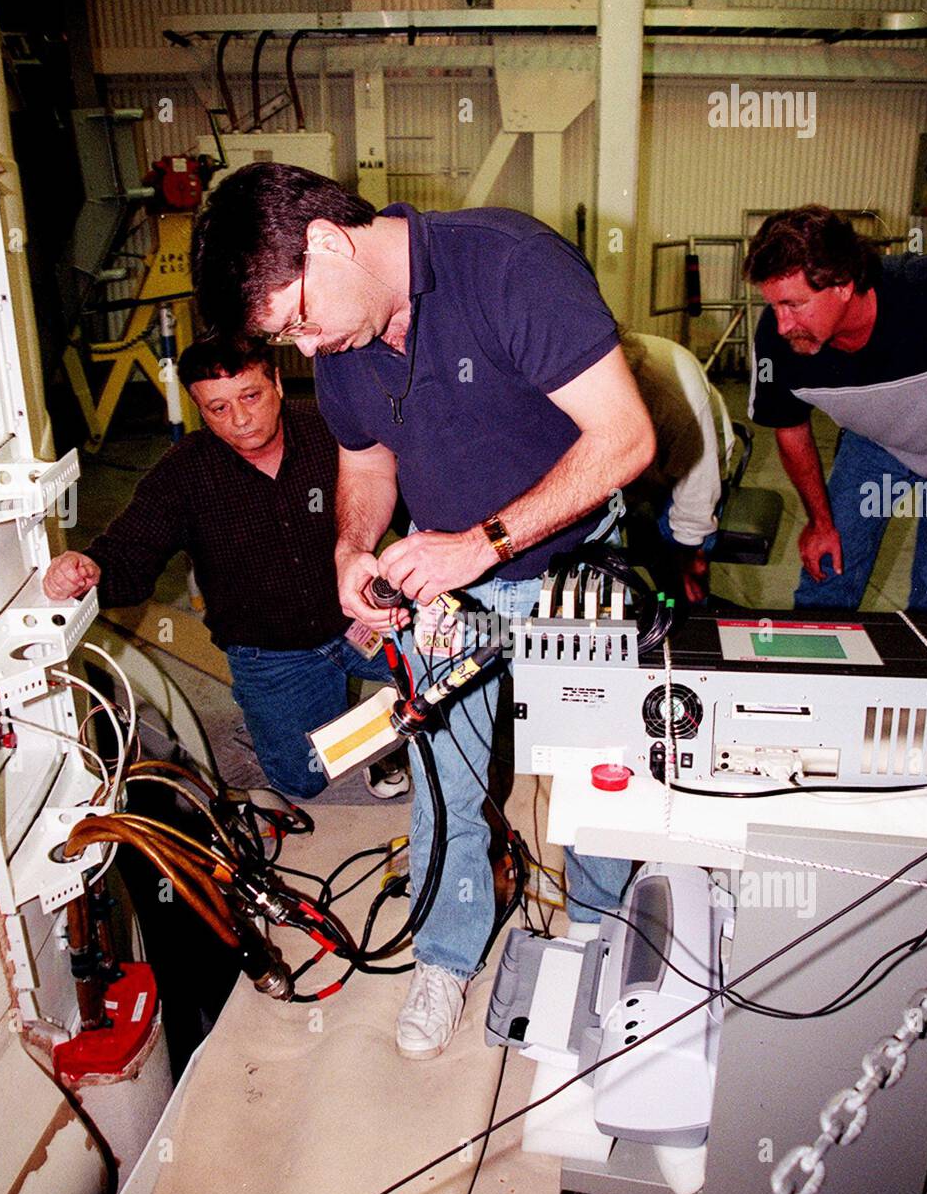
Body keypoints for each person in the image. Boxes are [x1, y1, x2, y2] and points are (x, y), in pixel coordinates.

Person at [191, 164, 656, 1058]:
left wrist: (480, 544)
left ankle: (606, 939)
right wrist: (351, 550)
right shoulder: (343, 343)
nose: (305, 348)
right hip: (448, 582)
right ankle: (447, 952)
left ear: (325, 244)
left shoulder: (510, 265)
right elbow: (367, 468)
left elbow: (626, 437)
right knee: (444, 775)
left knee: (601, 771)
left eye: (295, 320)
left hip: (571, 569)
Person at [43, 336, 409, 802]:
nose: (239, 419)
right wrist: (87, 567)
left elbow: (405, 498)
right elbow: (130, 550)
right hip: (272, 653)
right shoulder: (184, 472)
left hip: (360, 617)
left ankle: (386, 729)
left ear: (276, 381)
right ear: (198, 408)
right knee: (303, 780)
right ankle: (290, 713)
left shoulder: (330, 430)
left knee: (455, 660)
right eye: (217, 408)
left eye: (250, 396)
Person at [743, 204, 927, 611]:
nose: (782, 325)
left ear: (843, 283)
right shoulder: (776, 341)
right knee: (826, 577)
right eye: (775, 306)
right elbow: (791, 429)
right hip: (876, 443)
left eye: (794, 305)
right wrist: (819, 522)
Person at [618, 331, 724, 605]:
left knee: (681, 587)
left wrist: (690, 550)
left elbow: (699, 484)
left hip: (691, 466)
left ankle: (688, 631)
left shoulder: (679, 400)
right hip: (629, 463)